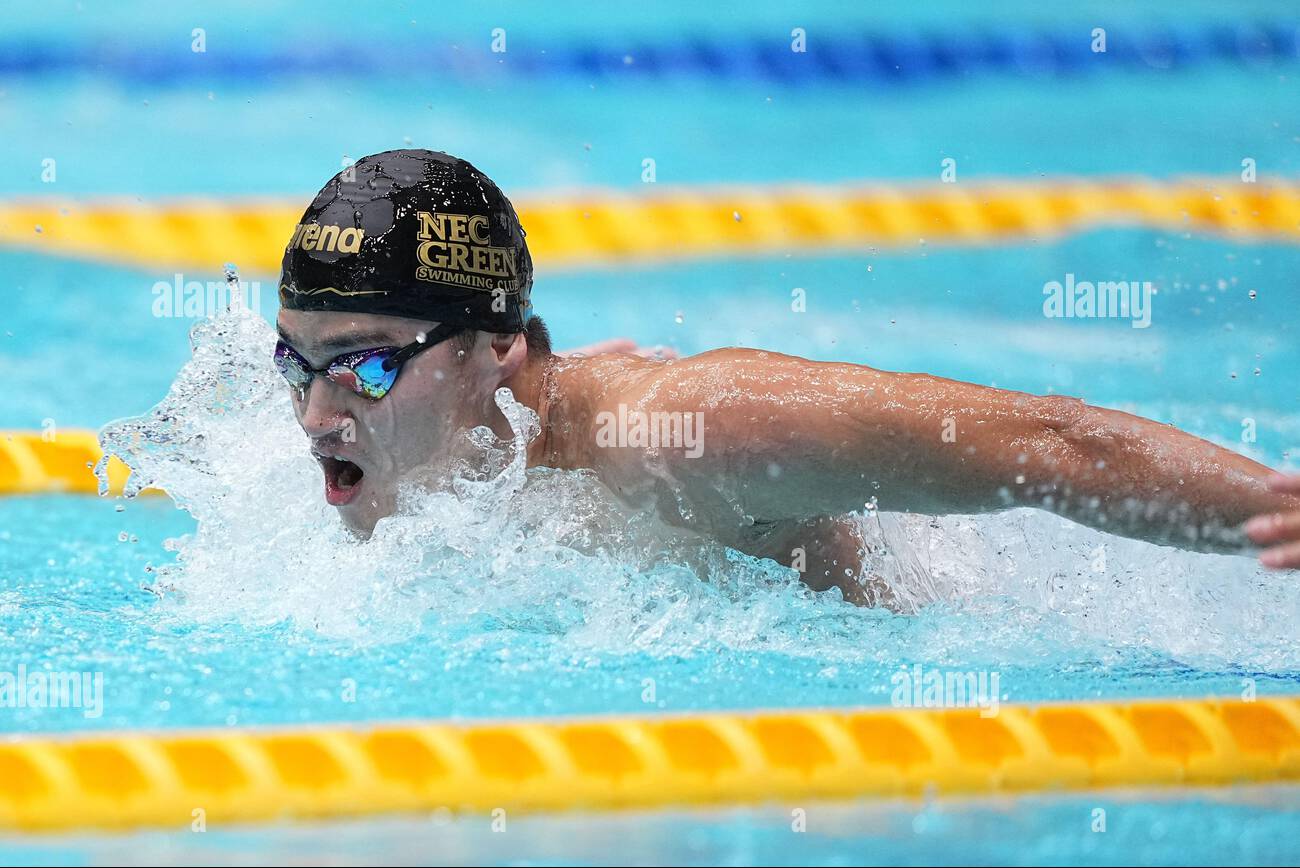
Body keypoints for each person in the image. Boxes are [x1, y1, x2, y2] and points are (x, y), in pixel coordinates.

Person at [275, 149, 1300, 606]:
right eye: (298, 362)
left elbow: (1053, 440)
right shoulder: (453, 439)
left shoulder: (691, 435)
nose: (316, 414)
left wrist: (1274, 511)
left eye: (363, 365)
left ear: (497, 350)